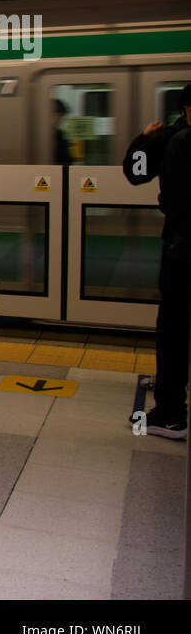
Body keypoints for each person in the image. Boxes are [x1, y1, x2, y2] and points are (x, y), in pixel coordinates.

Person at [122, 82, 191, 440]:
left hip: (183, 245)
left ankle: (170, 413)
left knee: (174, 327)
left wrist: (144, 138)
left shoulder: (177, 139)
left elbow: (135, 171)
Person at [52, 98, 72, 166]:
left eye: (61, 116)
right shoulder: (38, 135)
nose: (60, 119)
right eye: (58, 115)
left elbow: (66, 160)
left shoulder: (60, 135)